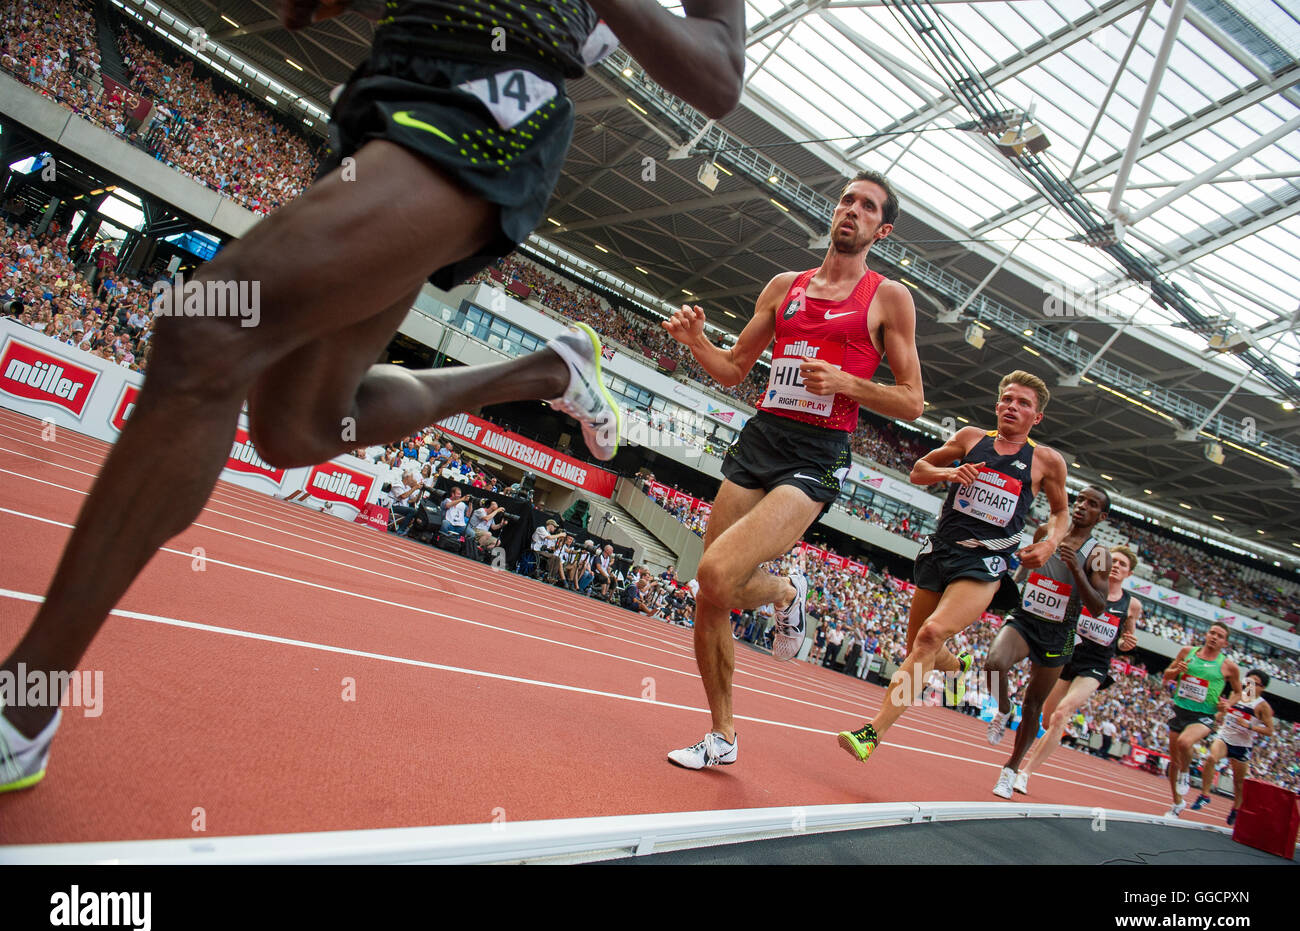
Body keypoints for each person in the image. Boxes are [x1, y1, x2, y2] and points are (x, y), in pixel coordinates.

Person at [0, 0, 747, 792]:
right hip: (391, 82)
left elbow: (720, 70)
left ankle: (23, 707)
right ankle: (544, 371)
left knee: (206, 325)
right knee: (300, 426)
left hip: (495, 99)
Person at [664, 171, 924, 770]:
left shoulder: (889, 299)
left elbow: (912, 400)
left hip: (815, 454)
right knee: (711, 594)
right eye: (846, 200)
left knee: (716, 570)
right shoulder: (786, 287)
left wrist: (848, 384)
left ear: (880, 229)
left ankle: (785, 590)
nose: (851, 211)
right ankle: (723, 734)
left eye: (866, 207)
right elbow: (733, 370)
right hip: (761, 438)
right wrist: (695, 340)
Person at [837, 371, 1069, 768]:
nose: (1013, 406)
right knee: (920, 649)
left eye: (1024, 403)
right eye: (1007, 399)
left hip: (986, 561)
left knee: (928, 636)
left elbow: (1062, 513)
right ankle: (953, 663)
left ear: (1037, 417)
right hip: (941, 551)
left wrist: (1049, 543)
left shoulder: (1046, 461)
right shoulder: (969, 439)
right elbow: (918, 470)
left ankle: (872, 732)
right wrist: (949, 472)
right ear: (997, 405)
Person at [983, 487, 1112, 798]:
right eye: (1079, 499)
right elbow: (1027, 567)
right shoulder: (1046, 530)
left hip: (1059, 632)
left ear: (1101, 517)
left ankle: (1010, 770)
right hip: (1026, 618)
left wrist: (1075, 569)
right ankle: (1003, 708)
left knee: (1034, 706)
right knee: (994, 663)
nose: (1081, 506)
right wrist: (1011, 582)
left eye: (1091, 504)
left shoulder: (1098, 555)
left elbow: (1098, 606)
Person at [1017, 545, 1141, 791]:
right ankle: (1058, 730)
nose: (1116, 566)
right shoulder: (1088, 587)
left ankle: (1025, 773)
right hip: (1068, 654)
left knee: (1062, 713)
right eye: (1113, 561)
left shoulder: (1132, 604)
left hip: (1095, 665)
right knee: (1049, 718)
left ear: (1129, 573)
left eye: (1122, 565)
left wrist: (1126, 643)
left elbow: (1125, 642)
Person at [1162, 623, 1242, 818]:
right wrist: (1176, 671)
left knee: (1184, 742)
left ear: (1225, 642)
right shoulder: (1187, 652)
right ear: (1206, 634)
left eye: (1219, 635)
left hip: (1204, 715)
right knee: (1174, 761)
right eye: (1212, 632)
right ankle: (1177, 803)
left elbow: (1240, 692)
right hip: (1180, 709)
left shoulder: (1228, 666)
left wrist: (1228, 704)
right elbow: (1166, 675)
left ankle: (1186, 771)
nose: (1214, 637)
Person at [1190, 669, 1273, 825]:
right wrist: (1216, 715)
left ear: (1262, 688)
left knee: (1238, 782)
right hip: (1225, 738)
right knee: (1211, 758)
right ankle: (1205, 795)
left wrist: (1250, 726)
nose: (1250, 685)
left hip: (1243, 745)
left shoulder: (1263, 707)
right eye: (1248, 681)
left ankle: (1236, 808)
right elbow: (1222, 713)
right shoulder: (1236, 695)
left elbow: (1269, 731)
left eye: (1255, 683)